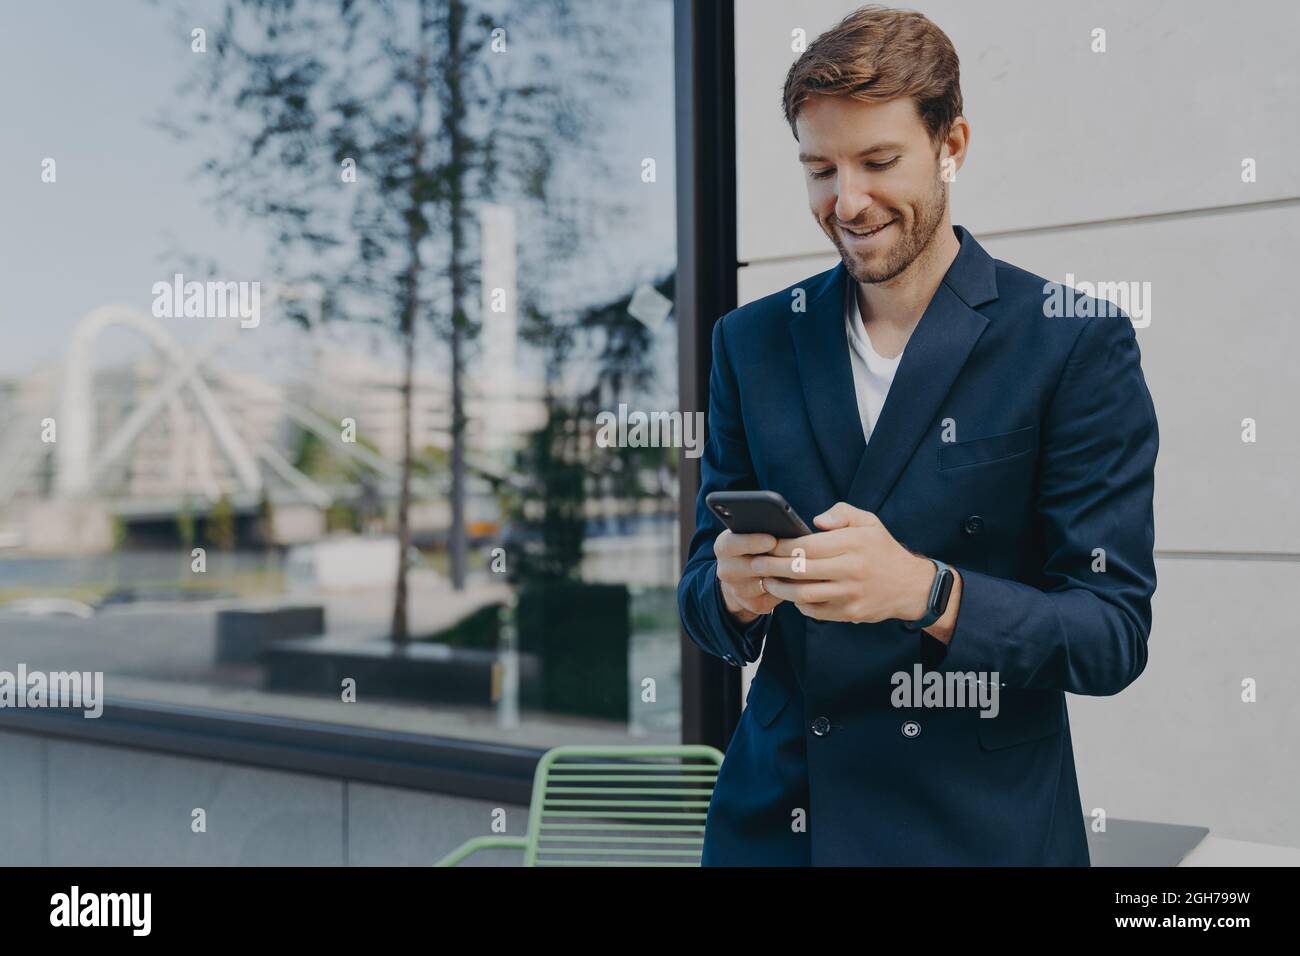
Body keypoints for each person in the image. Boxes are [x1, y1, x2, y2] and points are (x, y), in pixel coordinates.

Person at [677, 4, 1159, 865]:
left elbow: (1110, 634)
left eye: (878, 161)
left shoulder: (1072, 340)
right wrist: (735, 593)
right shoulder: (749, 341)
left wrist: (928, 593)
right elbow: (703, 599)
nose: (847, 201)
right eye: (820, 169)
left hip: (975, 832)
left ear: (952, 145)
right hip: (782, 825)